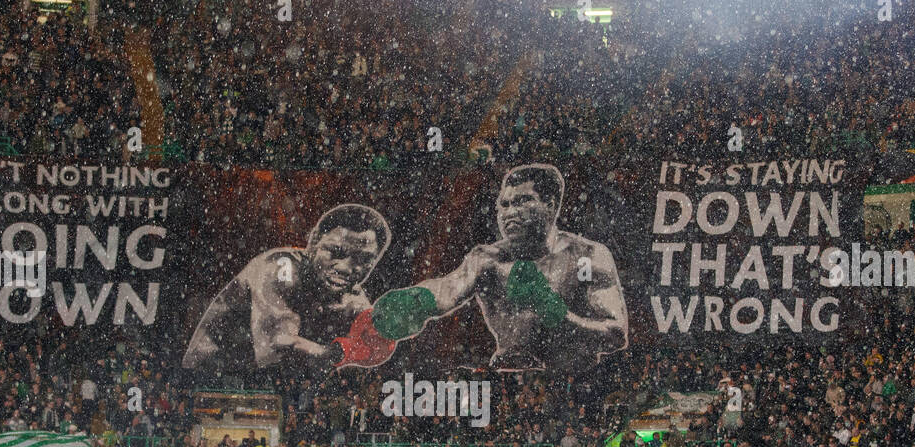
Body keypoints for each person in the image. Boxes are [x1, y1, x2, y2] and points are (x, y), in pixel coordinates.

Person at [334, 164, 628, 372]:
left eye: (522, 201)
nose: (509, 212)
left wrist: (556, 314)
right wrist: (414, 302)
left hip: (568, 385)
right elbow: (446, 290)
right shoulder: (487, 259)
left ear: (551, 204)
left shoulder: (587, 256)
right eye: (504, 204)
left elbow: (616, 334)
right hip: (509, 382)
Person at [183, 204, 392, 371]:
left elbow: (372, 352)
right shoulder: (279, 267)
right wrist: (339, 352)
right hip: (210, 380)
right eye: (336, 252)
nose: (346, 268)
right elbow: (275, 348)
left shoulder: (351, 295)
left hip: (257, 386)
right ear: (314, 241)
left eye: (363, 260)